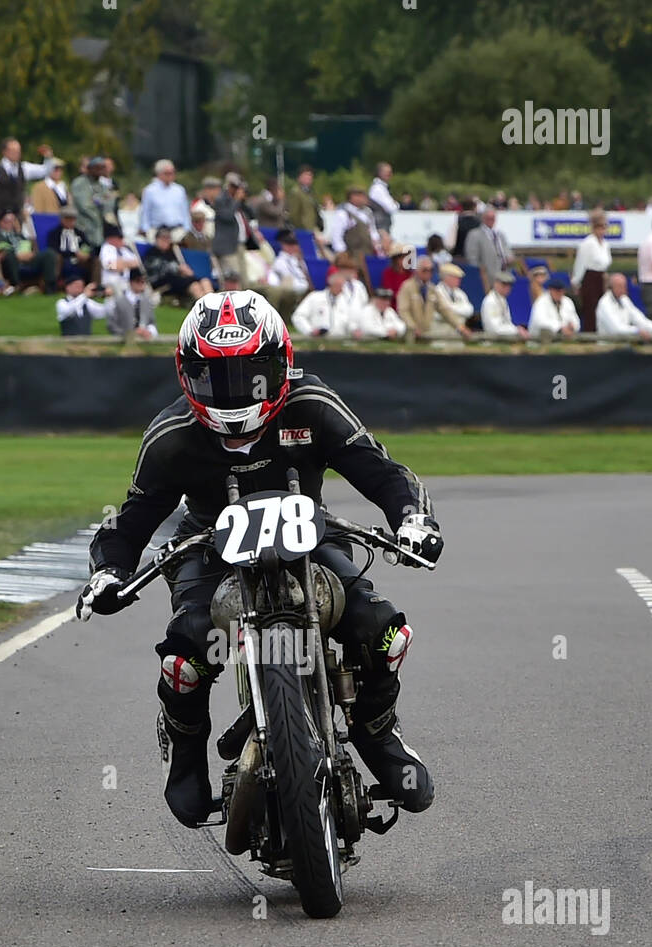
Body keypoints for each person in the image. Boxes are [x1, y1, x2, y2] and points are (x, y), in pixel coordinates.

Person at [76, 289, 443, 826]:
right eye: (213, 378)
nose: (231, 394)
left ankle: (377, 729)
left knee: (386, 633)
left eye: (249, 375)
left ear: (282, 361)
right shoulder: (172, 436)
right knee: (183, 659)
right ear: (186, 375)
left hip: (310, 535)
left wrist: (413, 520)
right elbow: (130, 520)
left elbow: (380, 469)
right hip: (209, 546)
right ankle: (184, 753)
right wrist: (109, 572)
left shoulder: (312, 403)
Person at [0, 139, 55, 219]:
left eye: (18, 150)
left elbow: (45, 171)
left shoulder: (24, 168)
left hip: (19, 216)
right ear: (4, 152)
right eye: (13, 150)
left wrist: (48, 157)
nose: (17, 153)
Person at [144, 225, 213, 302]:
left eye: (168, 238)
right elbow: (154, 271)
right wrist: (178, 268)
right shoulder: (152, 253)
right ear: (157, 239)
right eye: (163, 238)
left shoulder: (171, 252)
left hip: (177, 279)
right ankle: (205, 306)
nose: (166, 241)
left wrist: (185, 270)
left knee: (205, 281)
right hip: (163, 281)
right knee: (195, 286)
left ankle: (212, 305)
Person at [291, 270, 363, 337]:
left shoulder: (345, 300)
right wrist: (309, 331)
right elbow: (298, 316)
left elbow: (349, 321)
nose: (341, 289)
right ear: (331, 285)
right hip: (316, 341)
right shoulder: (314, 297)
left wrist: (354, 330)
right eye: (338, 286)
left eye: (342, 286)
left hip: (340, 342)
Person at [572, 210, 611, 332]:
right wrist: (576, 282)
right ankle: (589, 334)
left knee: (602, 308)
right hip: (589, 279)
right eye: (599, 227)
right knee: (591, 309)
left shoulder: (605, 244)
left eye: (604, 227)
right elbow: (580, 264)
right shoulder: (587, 243)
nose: (602, 231)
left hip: (601, 278)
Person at [595, 273, 652, 339]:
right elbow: (617, 329)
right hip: (607, 345)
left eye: (625, 286)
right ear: (612, 287)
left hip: (624, 343)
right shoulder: (605, 303)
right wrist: (638, 331)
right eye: (620, 286)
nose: (624, 289)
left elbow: (639, 319)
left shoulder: (624, 299)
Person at [138, 159, 192, 239]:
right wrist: (147, 230)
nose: (171, 175)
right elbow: (145, 212)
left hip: (178, 231)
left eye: (172, 172)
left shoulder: (179, 190)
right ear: (159, 174)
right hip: (157, 231)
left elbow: (185, 211)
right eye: (167, 173)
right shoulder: (150, 190)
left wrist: (187, 228)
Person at [44, 207, 95, 290]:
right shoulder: (54, 233)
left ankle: (94, 286)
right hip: (64, 259)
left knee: (96, 261)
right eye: (68, 219)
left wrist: (87, 255)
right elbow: (53, 249)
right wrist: (73, 253)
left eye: (73, 219)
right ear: (62, 219)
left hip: (81, 260)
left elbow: (88, 246)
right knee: (61, 261)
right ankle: (55, 285)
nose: (71, 222)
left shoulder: (80, 233)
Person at [106, 266, 158, 338]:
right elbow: (111, 325)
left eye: (143, 281)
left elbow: (152, 323)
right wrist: (128, 334)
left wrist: (148, 331)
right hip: (123, 344)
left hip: (144, 344)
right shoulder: (119, 301)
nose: (141, 283)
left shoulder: (147, 302)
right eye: (138, 281)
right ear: (130, 282)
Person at [528, 271, 580, 337]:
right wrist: (560, 328)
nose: (559, 293)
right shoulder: (541, 301)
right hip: (540, 339)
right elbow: (540, 322)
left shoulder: (567, 301)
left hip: (564, 337)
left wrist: (573, 326)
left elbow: (575, 320)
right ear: (550, 290)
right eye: (556, 291)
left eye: (561, 290)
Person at [481, 269, 528, 338]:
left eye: (509, 285)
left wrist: (517, 330)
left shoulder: (502, 299)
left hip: (505, 337)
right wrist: (516, 330)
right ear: (496, 284)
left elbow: (507, 322)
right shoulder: (490, 301)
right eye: (504, 285)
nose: (507, 288)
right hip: (493, 340)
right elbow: (495, 328)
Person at [98, 221, 143, 292]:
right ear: (110, 238)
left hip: (127, 285)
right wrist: (127, 264)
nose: (121, 240)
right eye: (118, 238)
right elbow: (110, 266)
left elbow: (138, 263)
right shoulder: (106, 248)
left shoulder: (125, 250)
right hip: (111, 286)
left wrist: (121, 264)